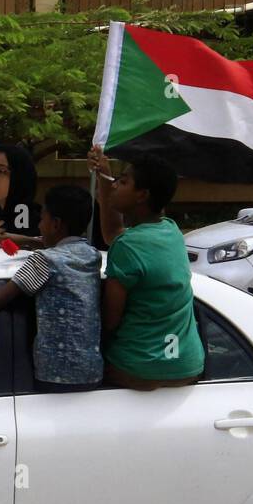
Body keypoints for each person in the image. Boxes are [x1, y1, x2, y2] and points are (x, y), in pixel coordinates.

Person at [0, 185, 102, 391]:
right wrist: (24, 239)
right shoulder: (91, 255)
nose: (39, 225)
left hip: (54, 375)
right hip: (91, 372)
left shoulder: (44, 261)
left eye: (42, 219)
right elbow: (57, 244)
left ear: (56, 224)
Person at [88, 145, 204, 390]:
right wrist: (105, 176)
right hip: (186, 366)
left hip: (138, 369)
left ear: (142, 195)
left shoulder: (128, 247)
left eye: (123, 181)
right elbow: (112, 233)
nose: (116, 186)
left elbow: (110, 321)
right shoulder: (170, 231)